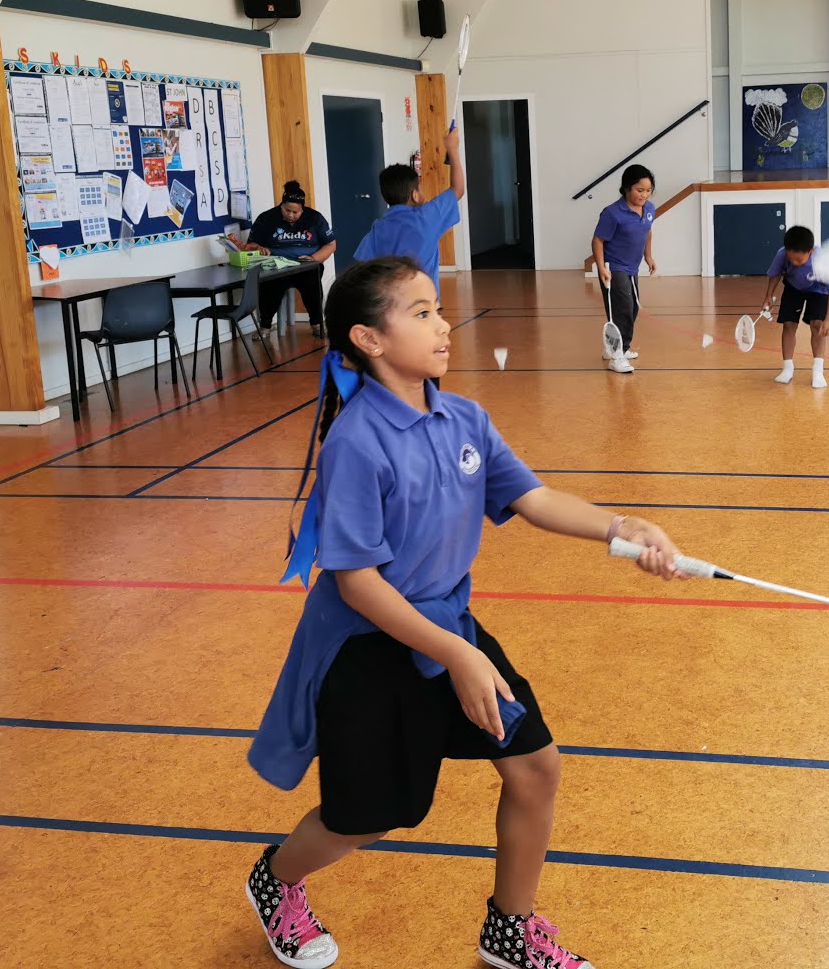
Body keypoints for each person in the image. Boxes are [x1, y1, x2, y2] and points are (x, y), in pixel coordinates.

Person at [245, 256, 686, 969]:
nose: (443, 324)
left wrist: (621, 526)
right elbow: (356, 582)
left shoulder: (462, 418)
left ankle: (509, 928)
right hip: (368, 649)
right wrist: (458, 654)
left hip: (449, 632)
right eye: (420, 313)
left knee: (535, 767)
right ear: (369, 339)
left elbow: (533, 499)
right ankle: (277, 877)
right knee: (365, 818)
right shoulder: (357, 442)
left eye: (438, 308)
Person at [352, 129, 465, 296]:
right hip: (423, 303)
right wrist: (453, 150)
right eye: (419, 187)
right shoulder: (428, 216)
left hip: (391, 305)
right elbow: (458, 189)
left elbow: (362, 265)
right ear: (414, 194)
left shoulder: (379, 228)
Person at [238, 181, 336, 337]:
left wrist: (313, 258)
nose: (291, 215)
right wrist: (259, 248)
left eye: (295, 212)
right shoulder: (266, 218)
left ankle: (317, 324)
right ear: (281, 205)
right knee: (269, 284)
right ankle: (265, 326)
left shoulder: (315, 218)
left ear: (302, 210)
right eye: (287, 210)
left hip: (305, 265)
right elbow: (251, 244)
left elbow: (331, 244)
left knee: (312, 281)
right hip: (277, 266)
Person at [591, 166, 656, 374]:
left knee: (633, 308)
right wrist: (601, 268)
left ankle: (616, 349)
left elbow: (647, 233)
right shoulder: (612, 213)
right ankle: (616, 357)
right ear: (627, 188)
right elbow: (598, 240)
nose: (644, 195)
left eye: (648, 190)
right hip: (614, 267)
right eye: (639, 190)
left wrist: (648, 256)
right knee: (623, 310)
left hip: (632, 267)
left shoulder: (649, 209)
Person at [760, 225, 829, 389]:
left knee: (817, 325)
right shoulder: (782, 254)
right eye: (791, 259)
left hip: (819, 290)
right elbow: (775, 275)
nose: (794, 263)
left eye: (799, 260)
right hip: (793, 288)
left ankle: (818, 371)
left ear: (810, 251)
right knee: (788, 325)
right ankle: (787, 369)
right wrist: (768, 296)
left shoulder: (821, 260)